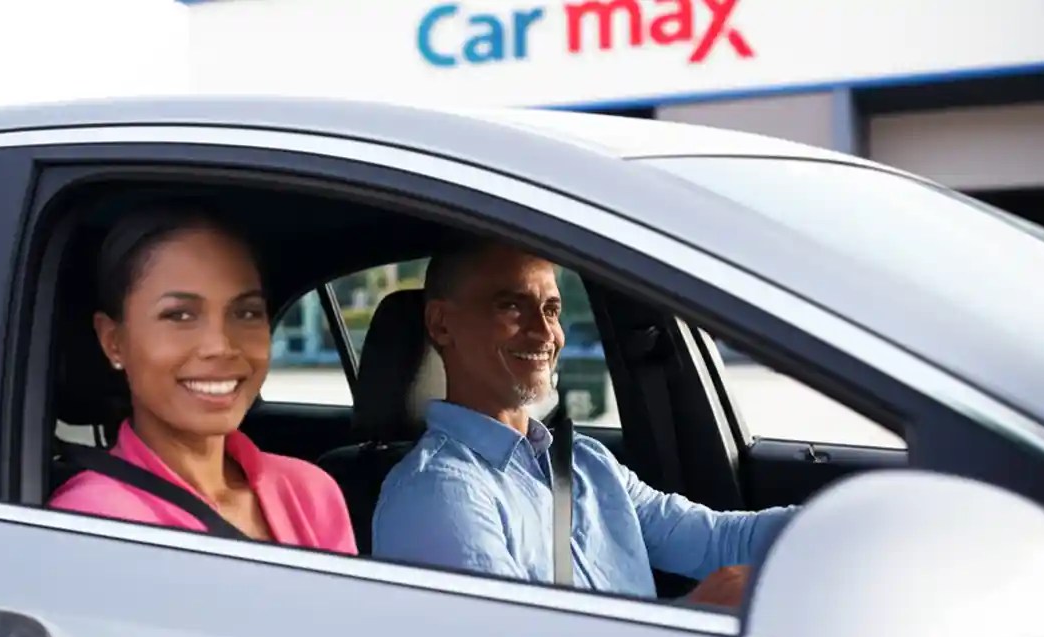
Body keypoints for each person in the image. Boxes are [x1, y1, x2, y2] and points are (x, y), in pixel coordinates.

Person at [372, 242, 796, 604]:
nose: (546, 334)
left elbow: (719, 540)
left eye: (552, 310)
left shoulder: (585, 463)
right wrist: (697, 616)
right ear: (442, 325)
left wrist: (833, 524)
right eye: (512, 307)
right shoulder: (437, 493)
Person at [49, 202, 356, 555]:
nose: (220, 346)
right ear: (113, 342)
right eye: (179, 315)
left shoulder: (310, 492)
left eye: (246, 312)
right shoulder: (91, 526)